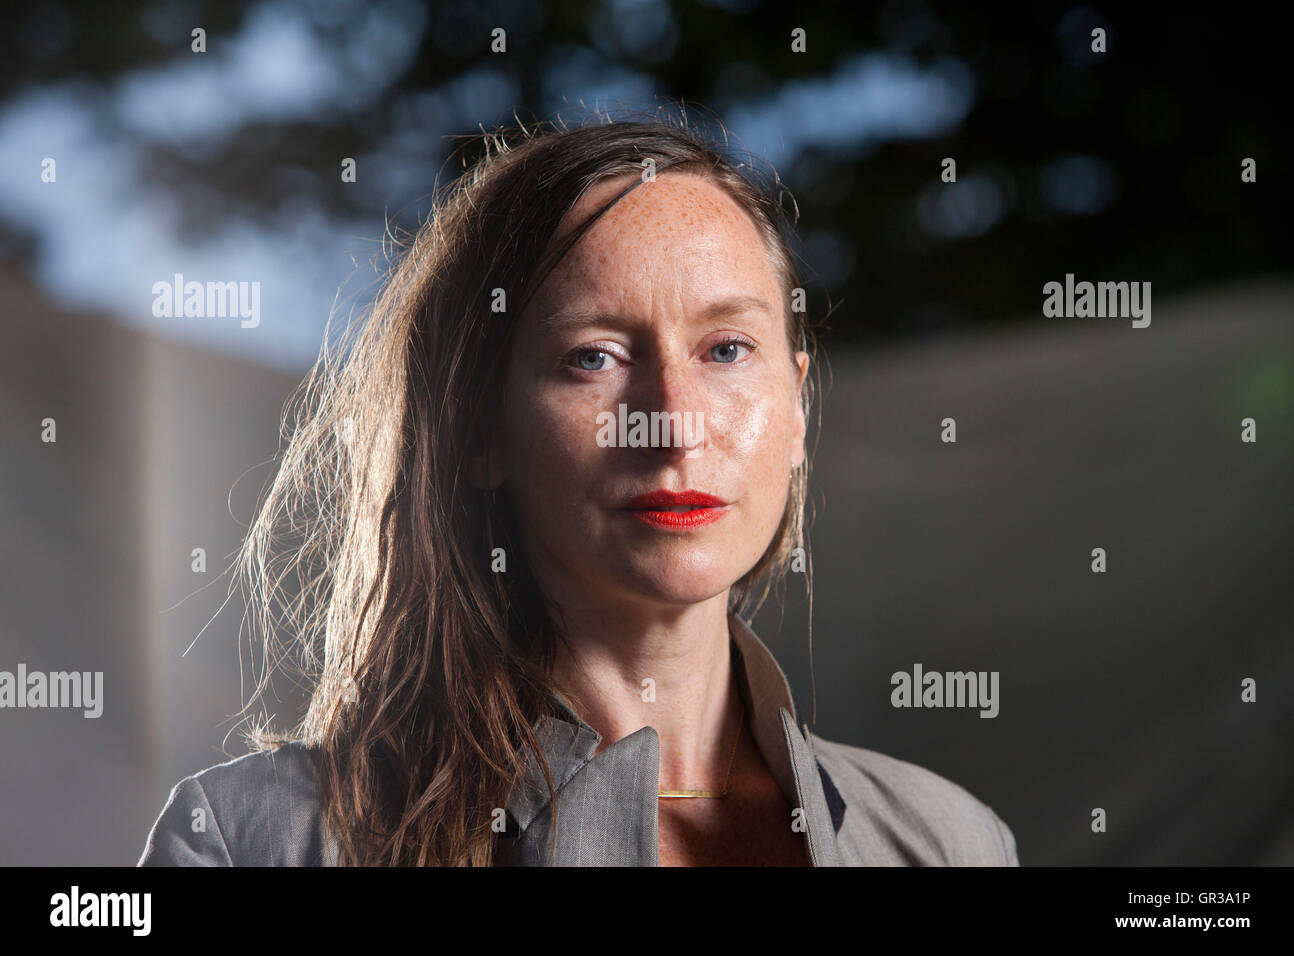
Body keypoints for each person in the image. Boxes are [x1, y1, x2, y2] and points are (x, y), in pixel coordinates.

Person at [138, 116, 1018, 867]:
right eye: (593, 357)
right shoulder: (256, 844)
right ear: (479, 433)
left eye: (726, 351)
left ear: (795, 408)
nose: (673, 423)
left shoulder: (951, 843)